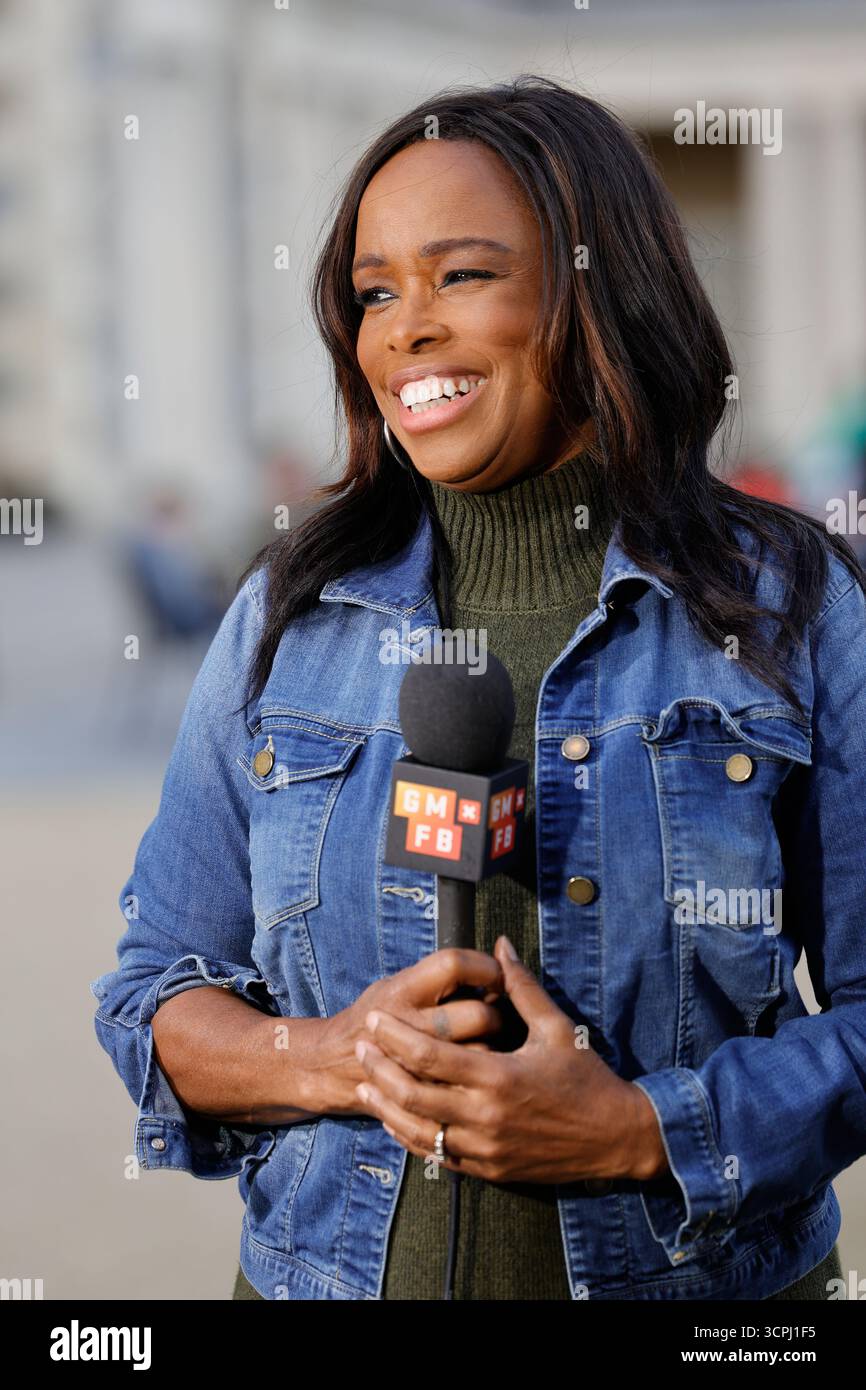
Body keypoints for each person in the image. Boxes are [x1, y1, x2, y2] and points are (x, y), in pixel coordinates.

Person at [92, 76, 866, 1301]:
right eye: (374, 292)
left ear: (595, 289)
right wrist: (335, 1056)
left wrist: (639, 1131)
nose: (403, 328)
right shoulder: (287, 613)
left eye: (460, 276)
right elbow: (155, 992)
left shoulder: (793, 607)